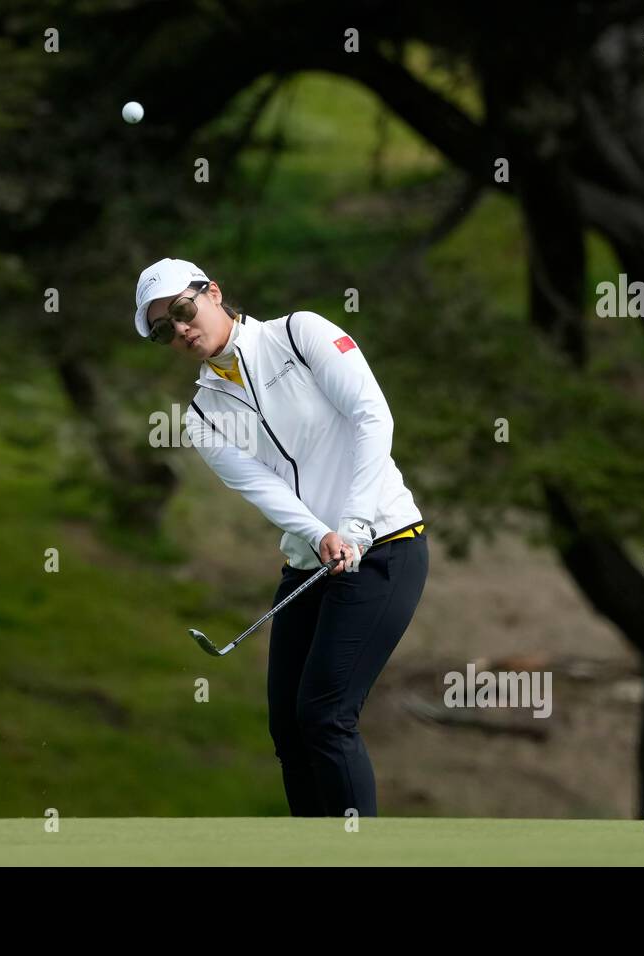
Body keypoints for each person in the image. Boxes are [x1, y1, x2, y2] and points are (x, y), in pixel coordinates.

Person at [133, 257, 429, 817]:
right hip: (311, 562)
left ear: (212, 293)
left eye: (182, 310)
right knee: (289, 733)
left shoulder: (301, 334)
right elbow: (264, 489)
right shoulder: (203, 412)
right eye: (163, 330)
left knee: (325, 716)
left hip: (388, 544)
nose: (180, 330)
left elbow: (373, 417)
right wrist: (321, 535)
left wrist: (358, 525)